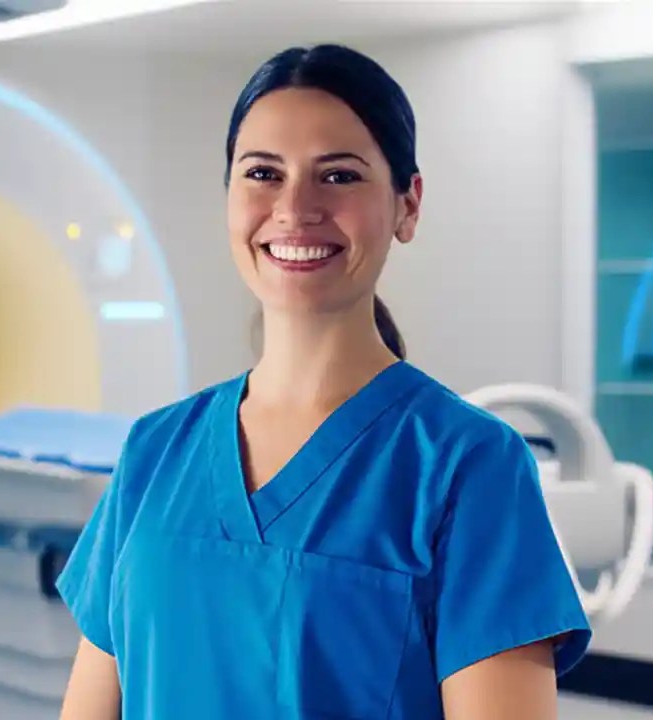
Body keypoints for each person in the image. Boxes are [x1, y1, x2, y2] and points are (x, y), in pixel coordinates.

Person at [55, 43, 591, 719]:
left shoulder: (468, 466)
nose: (295, 207)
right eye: (262, 173)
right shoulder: (155, 452)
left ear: (407, 205)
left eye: (338, 176)